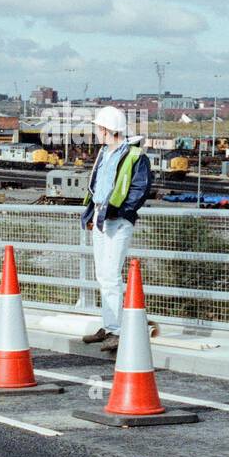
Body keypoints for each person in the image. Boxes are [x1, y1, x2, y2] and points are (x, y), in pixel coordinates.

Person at [79, 106, 152, 354]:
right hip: (101, 216)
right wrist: (93, 213)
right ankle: (110, 325)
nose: (97, 134)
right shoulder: (104, 153)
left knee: (111, 274)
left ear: (106, 129)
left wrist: (122, 211)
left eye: (98, 129)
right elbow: (98, 184)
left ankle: (117, 330)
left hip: (118, 219)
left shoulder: (134, 156)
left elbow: (139, 189)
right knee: (103, 275)